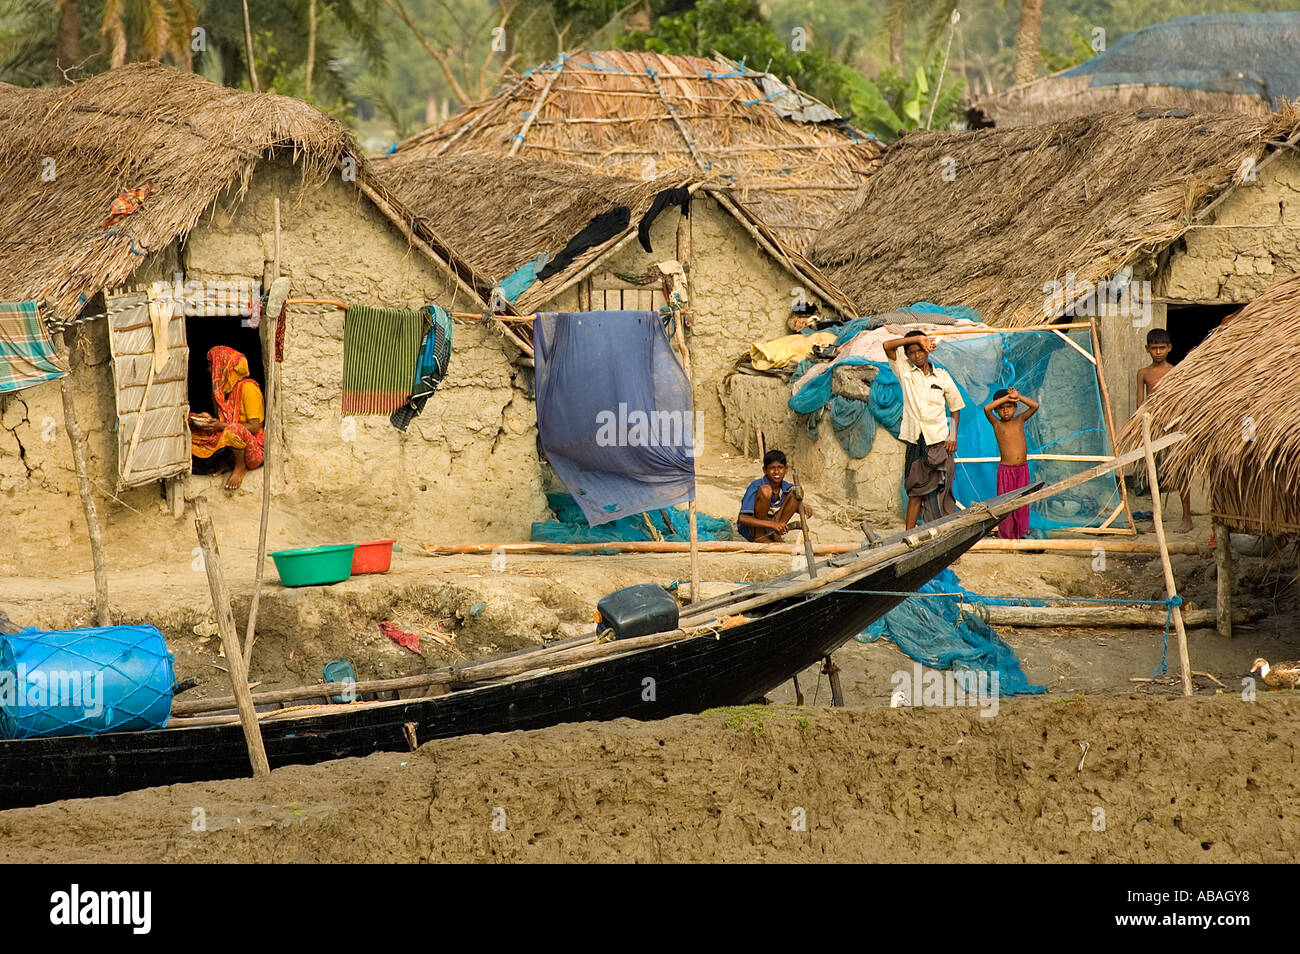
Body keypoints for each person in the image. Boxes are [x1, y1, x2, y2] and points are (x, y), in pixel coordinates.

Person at [883, 330, 964, 529]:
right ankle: (907, 539)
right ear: (907, 355)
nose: (917, 355)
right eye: (911, 352)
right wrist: (917, 339)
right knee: (915, 491)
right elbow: (887, 346)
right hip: (915, 441)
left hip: (939, 442)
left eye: (920, 350)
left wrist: (952, 436)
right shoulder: (904, 371)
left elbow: (955, 408)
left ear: (927, 351)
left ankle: (944, 539)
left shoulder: (942, 377)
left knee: (943, 492)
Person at [1135, 328, 1193, 533]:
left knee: (1180, 471)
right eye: (1154, 348)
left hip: (1174, 426)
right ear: (1147, 349)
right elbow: (1140, 404)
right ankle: (1156, 517)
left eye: (1161, 348)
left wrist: (1176, 422)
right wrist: (1144, 424)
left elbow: (1181, 401)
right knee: (1153, 472)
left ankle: (1187, 517)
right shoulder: (1143, 373)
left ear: (1169, 348)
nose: (1158, 352)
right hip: (1152, 427)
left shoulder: (1176, 371)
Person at [190, 345, 264, 490]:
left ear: (223, 366)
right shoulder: (225, 391)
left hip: (254, 452)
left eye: (211, 364)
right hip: (235, 448)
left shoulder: (248, 388)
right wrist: (209, 420)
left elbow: (255, 427)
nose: (209, 369)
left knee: (234, 429)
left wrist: (220, 426)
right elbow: (224, 423)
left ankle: (240, 467)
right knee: (192, 422)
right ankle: (228, 462)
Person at [984, 387, 1040, 539]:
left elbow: (1035, 405)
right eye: (1001, 409)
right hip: (1006, 471)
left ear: (1015, 407)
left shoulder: (1020, 420)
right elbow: (986, 408)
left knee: (1022, 503)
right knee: (1006, 505)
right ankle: (1006, 536)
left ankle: (1022, 534)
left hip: (1022, 469)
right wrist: (1007, 398)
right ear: (996, 411)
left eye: (1009, 407)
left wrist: (1017, 397)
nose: (1005, 411)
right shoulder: (997, 424)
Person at [737, 449, 810, 542]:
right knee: (766, 491)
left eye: (780, 467)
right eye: (772, 468)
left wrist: (802, 509)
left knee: (797, 491)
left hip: (773, 525)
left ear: (786, 470)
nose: (776, 472)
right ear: (765, 470)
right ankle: (760, 536)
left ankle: (775, 533)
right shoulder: (756, 485)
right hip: (753, 530)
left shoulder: (786, 488)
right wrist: (772, 525)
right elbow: (742, 518)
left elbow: (788, 504)